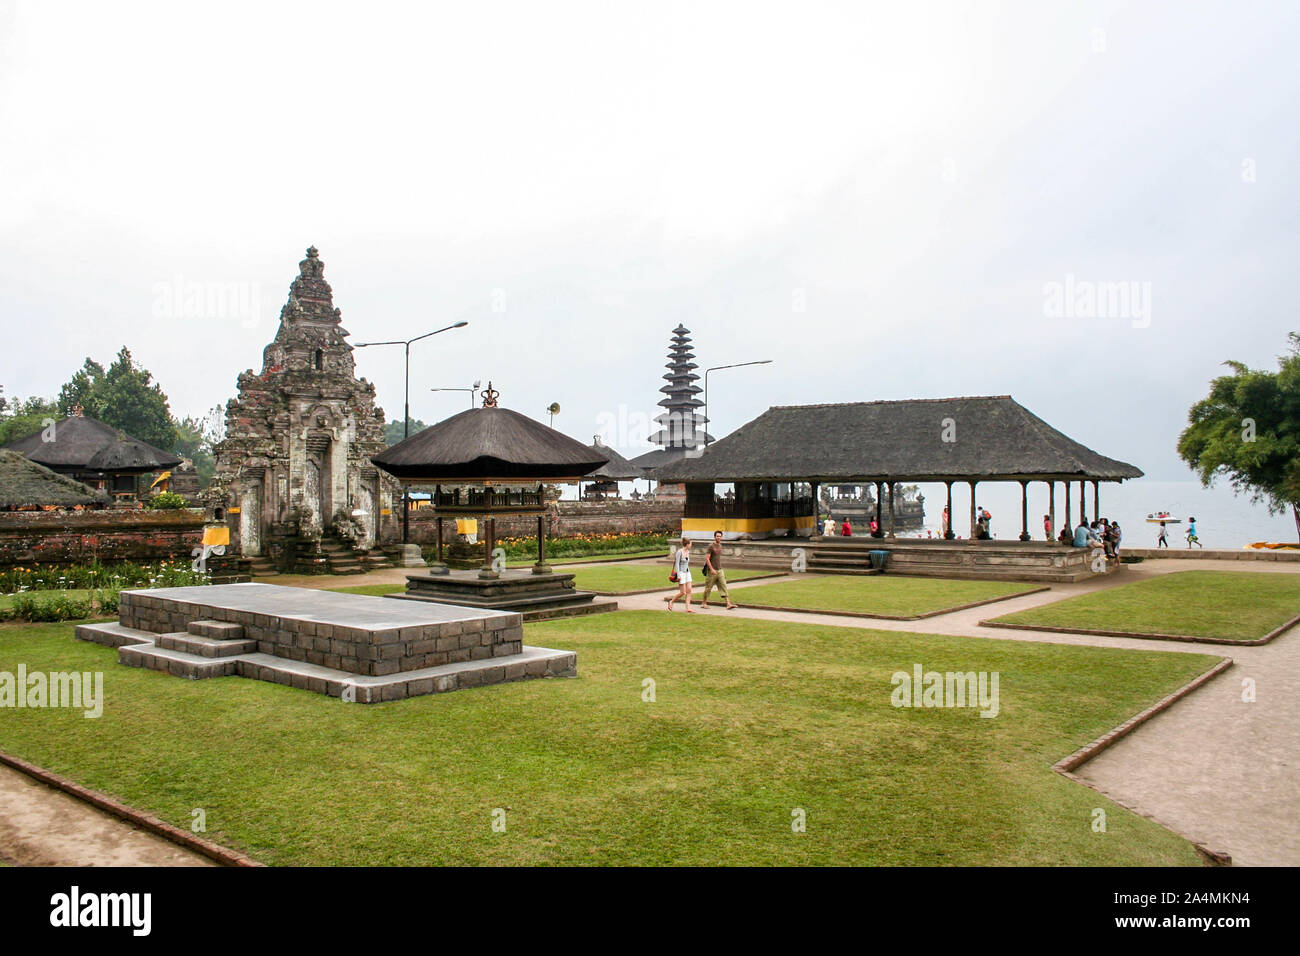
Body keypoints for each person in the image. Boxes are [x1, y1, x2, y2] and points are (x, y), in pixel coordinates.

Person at [700, 530, 737, 610]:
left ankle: (728, 603)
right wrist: (711, 569)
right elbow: (707, 558)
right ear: (715, 537)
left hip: (720, 570)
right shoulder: (711, 546)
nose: (719, 537)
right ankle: (703, 603)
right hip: (712, 571)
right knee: (708, 588)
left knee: (723, 585)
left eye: (720, 536)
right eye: (717, 536)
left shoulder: (720, 546)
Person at [667, 538, 694, 612]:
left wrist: (688, 573)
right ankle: (671, 602)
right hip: (681, 573)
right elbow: (677, 564)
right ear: (687, 544)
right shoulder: (679, 552)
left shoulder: (688, 552)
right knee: (683, 592)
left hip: (687, 573)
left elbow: (687, 564)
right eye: (690, 544)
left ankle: (688, 608)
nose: (691, 545)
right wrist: (678, 575)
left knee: (689, 590)